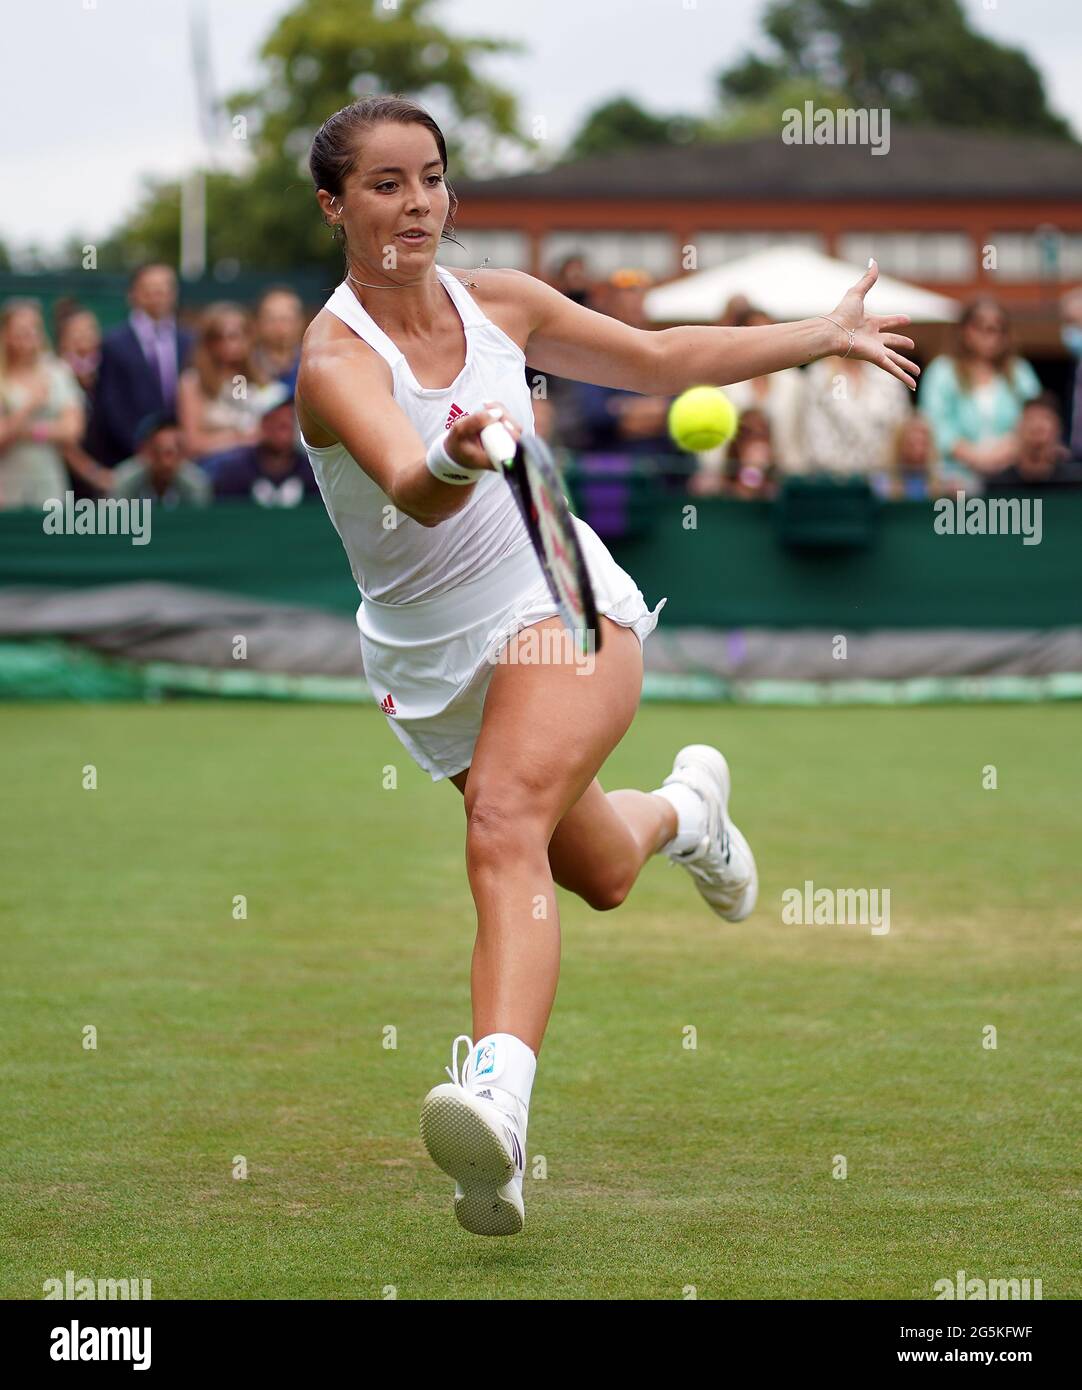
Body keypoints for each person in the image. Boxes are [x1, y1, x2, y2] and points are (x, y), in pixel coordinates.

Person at [295, 95, 919, 1238]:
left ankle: (498, 1108)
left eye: (430, 177)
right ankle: (687, 808)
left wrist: (817, 336)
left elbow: (658, 356)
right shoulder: (333, 356)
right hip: (429, 650)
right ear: (334, 205)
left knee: (500, 822)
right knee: (594, 869)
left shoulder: (502, 304)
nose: (416, 203)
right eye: (384, 184)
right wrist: (452, 444)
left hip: (555, 586)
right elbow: (407, 483)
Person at [918, 298, 1041, 491]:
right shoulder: (942, 372)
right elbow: (934, 424)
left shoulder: (1020, 372)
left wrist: (1006, 452)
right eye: (981, 328)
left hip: (1012, 476)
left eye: (998, 329)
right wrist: (976, 458)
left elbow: (1036, 418)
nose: (990, 336)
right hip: (953, 481)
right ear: (964, 331)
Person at [90, 263, 193, 467]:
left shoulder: (189, 341)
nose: (158, 294)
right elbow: (111, 405)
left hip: (182, 458)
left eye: (165, 288)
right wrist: (144, 449)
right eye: (150, 288)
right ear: (133, 293)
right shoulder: (113, 344)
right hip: (129, 458)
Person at [0, 298, 85, 509]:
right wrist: (31, 405)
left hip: (50, 482)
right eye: (21, 330)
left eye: (33, 328)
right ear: (6, 334)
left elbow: (72, 430)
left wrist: (27, 431)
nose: (28, 335)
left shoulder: (58, 372)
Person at [176, 302, 274, 461]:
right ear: (208, 342)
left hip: (257, 467)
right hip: (211, 467)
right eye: (220, 337)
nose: (230, 344)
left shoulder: (262, 379)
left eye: (237, 335)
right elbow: (192, 443)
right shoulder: (193, 382)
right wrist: (236, 439)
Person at [800, 352, 912, 476]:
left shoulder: (888, 375)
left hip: (884, 482)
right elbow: (815, 439)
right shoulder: (820, 375)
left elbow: (901, 428)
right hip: (831, 481)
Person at [206, 386, 319, 505]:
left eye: (289, 415)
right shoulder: (231, 473)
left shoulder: (313, 472)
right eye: (274, 417)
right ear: (260, 424)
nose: (285, 420)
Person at [112, 413, 212, 506]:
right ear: (145, 451)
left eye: (173, 453)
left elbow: (199, 522)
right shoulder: (123, 480)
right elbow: (114, 521)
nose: (166, 462)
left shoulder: (196, 484)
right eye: (158, 451)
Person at [987, 394, 1082, 490]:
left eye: (1045, 419)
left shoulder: (1073, 482)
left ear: (1058, 428)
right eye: (1031, 419)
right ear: (1019, 428)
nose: (1037, 425)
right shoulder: (999, 485)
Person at [873, 412, 945, 500]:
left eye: (923, 444)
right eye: (911, 444)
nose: (918, 450)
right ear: (899, 446)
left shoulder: (941, 482)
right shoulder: (883, 483)